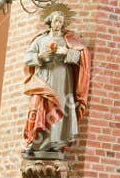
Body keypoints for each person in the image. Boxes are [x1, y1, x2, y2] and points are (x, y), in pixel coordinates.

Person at [22, 8, 91, 157]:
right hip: (44, 78)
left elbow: (81, 57)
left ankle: (56, 142)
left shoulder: (68, 40)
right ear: (50, 22)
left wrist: (65, 52)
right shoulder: (40, 40)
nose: (58, 24)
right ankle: (35, 142)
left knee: (60, 107)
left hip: (62, 79)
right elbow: (27, 57)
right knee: (39, 106)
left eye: (61, 21)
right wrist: (40, 56)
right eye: (55, 21)